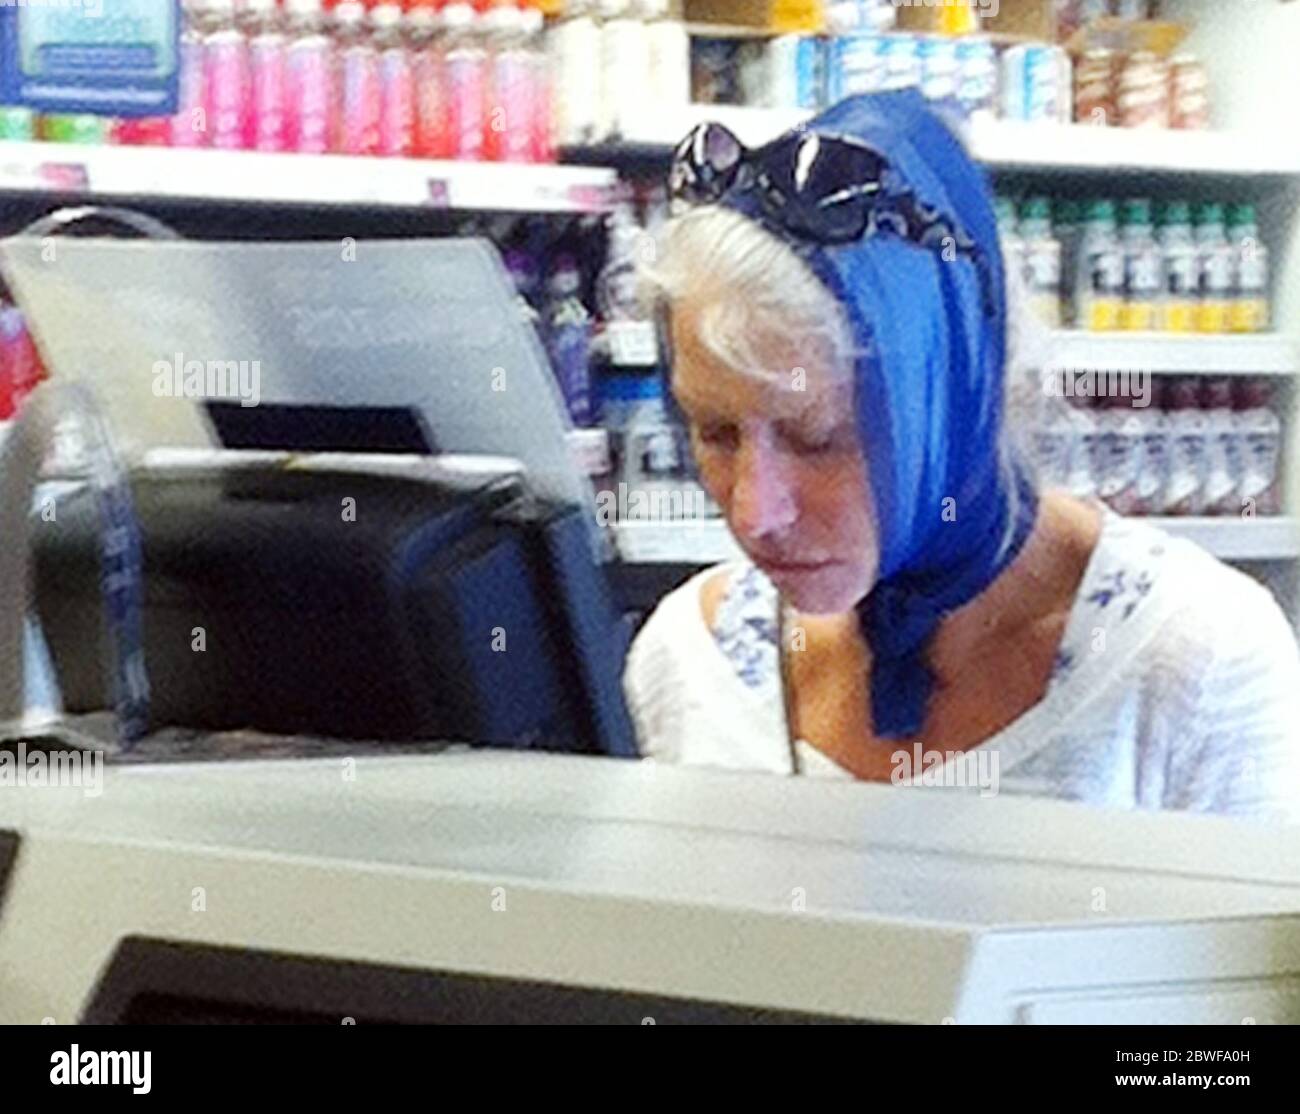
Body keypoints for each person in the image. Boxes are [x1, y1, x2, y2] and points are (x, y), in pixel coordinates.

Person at [623, 92, 1300, 822]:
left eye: (819, 438)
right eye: (715, 431)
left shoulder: (1197, 666)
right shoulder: (688, 661)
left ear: (952, 399)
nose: (758, 510)